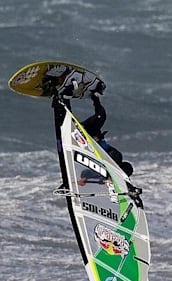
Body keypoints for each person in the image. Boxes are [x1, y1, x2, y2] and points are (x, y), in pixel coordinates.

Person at [52, 78, 144, 208]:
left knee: (66, 124)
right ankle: (83, 95)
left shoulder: (106, 171)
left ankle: (63, 97)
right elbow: (101, 117)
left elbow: (89, 171)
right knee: (99, 117)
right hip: (87, 138)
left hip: (86, 148)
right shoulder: (114, 158)